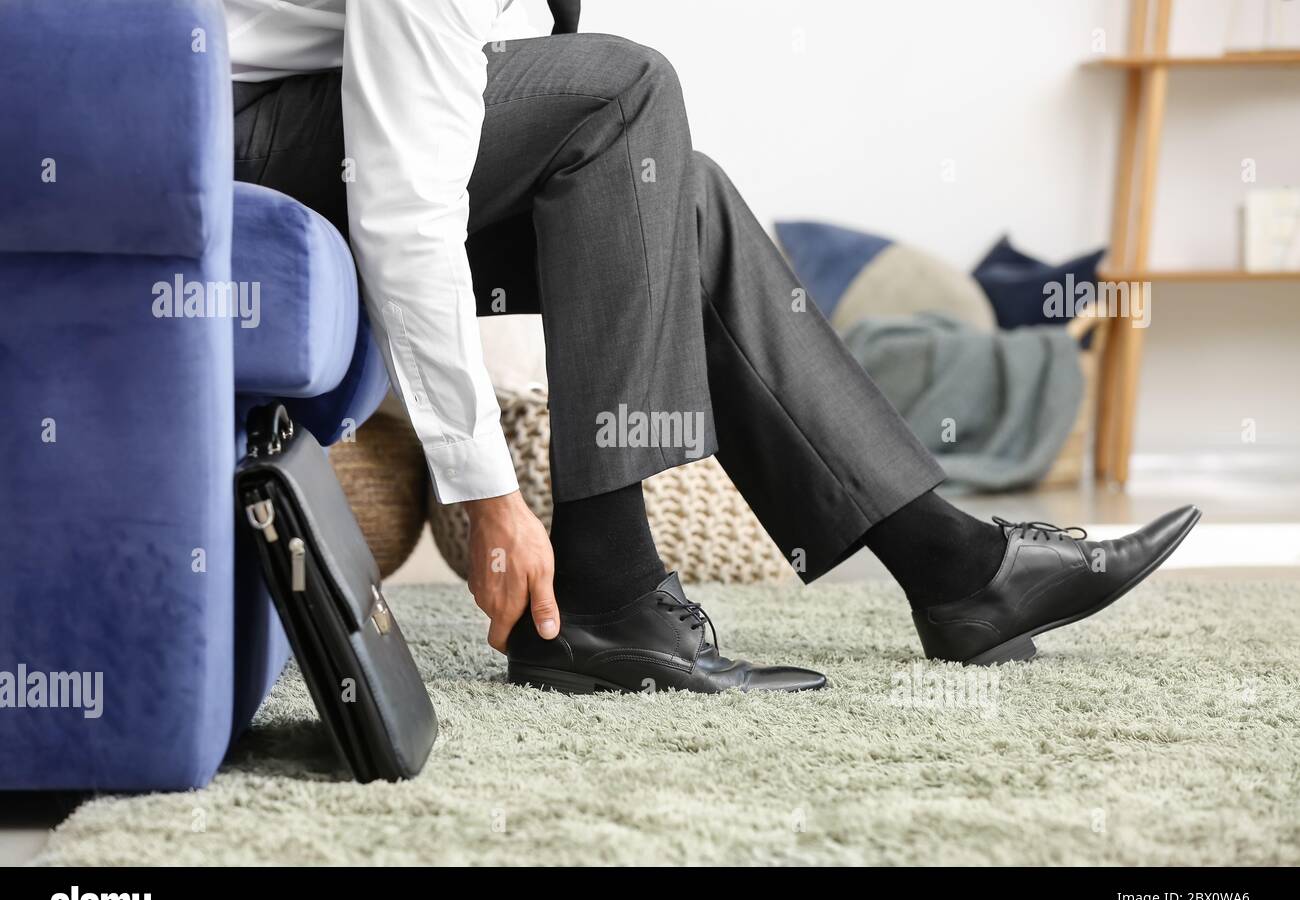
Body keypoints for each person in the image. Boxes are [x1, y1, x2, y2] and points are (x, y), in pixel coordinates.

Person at [226, 0, 1199, 693]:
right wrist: (486, 494)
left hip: (310, 107)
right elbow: (403, 209)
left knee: (675, 186)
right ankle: (609, 591)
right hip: (219, 134)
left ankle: (956, 571)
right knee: (623, 89)